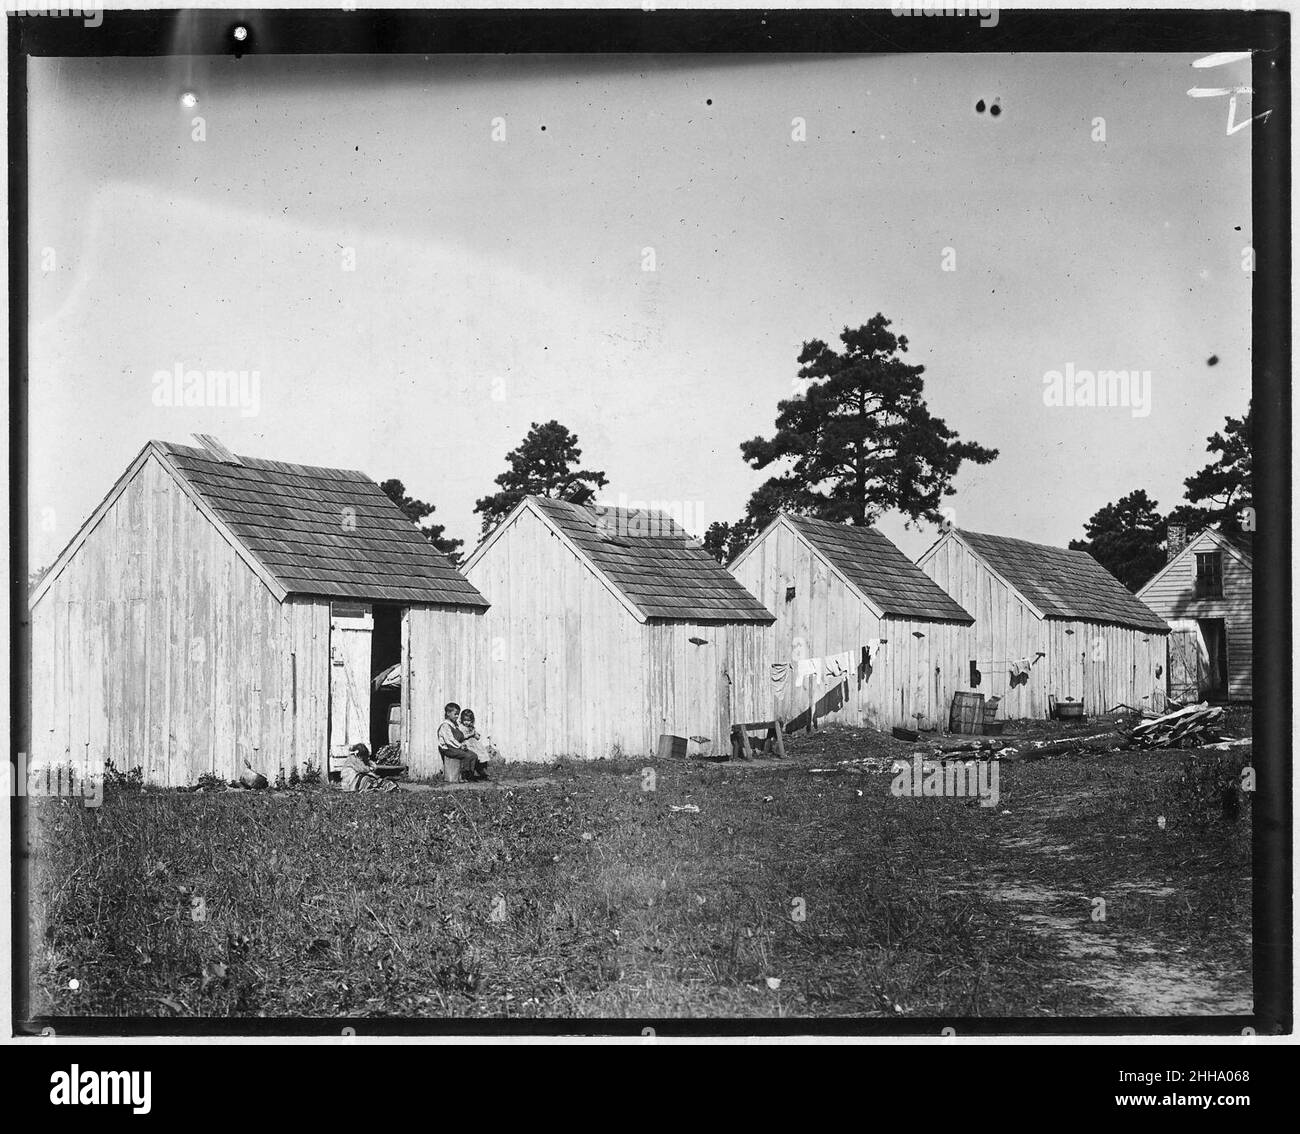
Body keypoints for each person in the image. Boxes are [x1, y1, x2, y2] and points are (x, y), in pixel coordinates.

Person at [436, 702, 483, 782]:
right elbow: (450, 740)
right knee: (466, 755)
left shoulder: (454, 725)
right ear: (448, 713)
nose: (457, 716)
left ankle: (469, 775)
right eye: (455, 714)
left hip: (455, 747)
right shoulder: (445, 725)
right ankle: (462, 776)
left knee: (473, 755)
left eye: (458, 714)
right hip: (448, 748)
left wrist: (467, 737)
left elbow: (460, 736)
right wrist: (460, 746)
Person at [458, 709, 494, 779]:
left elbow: (477, 737)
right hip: (467, 743)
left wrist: (475, 734)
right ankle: (471, 773)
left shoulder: (471, 727)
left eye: (468, 720)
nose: (466, 722)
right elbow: (462, 736)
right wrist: (471, 734)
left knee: (482, 753)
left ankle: (482, 770)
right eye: (465, 720)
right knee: (475, 754)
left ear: (471, 720)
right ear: (462, 720)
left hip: (474, 743)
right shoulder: (461, 727)